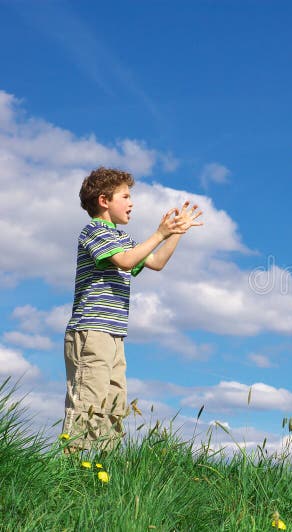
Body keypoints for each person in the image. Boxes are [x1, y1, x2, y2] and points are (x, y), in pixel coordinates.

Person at [62, 167, 202, 453]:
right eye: (125, 196)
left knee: (114, 405)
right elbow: (125, 261)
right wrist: (158, 232)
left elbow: (157, 262)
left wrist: (174, 233)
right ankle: (71, 469)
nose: (131, 202)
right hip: (92, 331)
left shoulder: (122, 238)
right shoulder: (94, 231)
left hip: (115, 334)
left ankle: (103, 468)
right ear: (104, 200)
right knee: (88, 403)